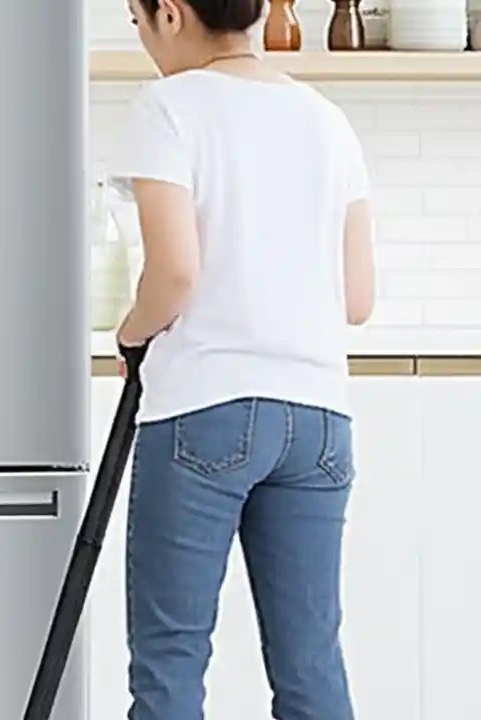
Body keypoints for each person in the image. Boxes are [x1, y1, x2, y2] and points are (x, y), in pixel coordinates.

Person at [107, 0, 376, 718]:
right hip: (319, 421)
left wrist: (131, 333)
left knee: (171, 663)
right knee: (311, 663)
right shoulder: (326, 119)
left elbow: (174, 276)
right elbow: (357, 298)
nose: (142, 39)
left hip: (206, 411)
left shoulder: (168, 107)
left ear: (168, 13)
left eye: (135, 21)